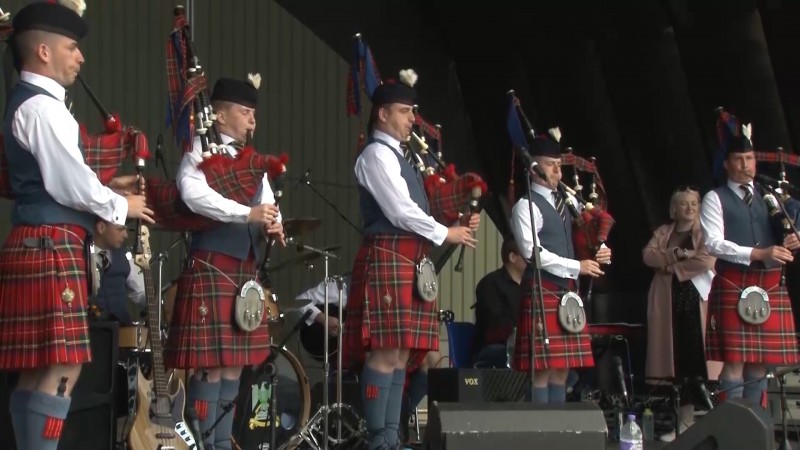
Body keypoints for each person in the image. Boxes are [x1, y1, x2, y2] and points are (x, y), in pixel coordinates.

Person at [0, 3, 153, 449]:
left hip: (40, 240)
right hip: (50, 244)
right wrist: (121, 204)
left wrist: (105, 182)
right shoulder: (43, 109)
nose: (80, 57)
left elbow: (60, 176)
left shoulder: (33, 104)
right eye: (72, 48)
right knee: (63, 365)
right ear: (44, 52)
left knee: (37, 369)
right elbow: (68, 182)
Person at [342, 68, 479, 450]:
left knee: (402, 355)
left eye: (411, 112)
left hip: (410, 261)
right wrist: (444, 233)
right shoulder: (375, 155)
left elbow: (423, 206)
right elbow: (400, 211)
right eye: (404, 111)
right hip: (388, 255)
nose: (410, 120)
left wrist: (457, 217)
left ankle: (390, 435)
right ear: (382, 114)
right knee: (385, 353)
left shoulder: (406, 160)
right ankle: (377, 440)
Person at [163, 75, 284, 450]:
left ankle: (220, 445)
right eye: (245, 112)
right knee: (209, 365)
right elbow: (193, 194)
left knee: (233, 366)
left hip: (244, 272)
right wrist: (246, 213)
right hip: (212, 267)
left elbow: (265, 206)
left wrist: (274, 223)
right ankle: (202, 444)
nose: (252, 121)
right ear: (219, 114)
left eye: (254, 114)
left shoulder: (252, 162)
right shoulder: (199, 147)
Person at [700, 118, 800, 408]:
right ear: (726, 164)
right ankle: (732, 430)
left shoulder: (771, 196)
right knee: (733, 364)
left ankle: (755, 429)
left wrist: (793, 240)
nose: (746, 165)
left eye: (750, 159)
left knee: (759, 366)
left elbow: (787, 232)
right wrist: (760, 254)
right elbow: (713, 244)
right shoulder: (714, 198)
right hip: (734, 283)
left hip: (769, 286)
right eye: (739, 159)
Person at [509, 132, 610, 404]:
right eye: (550, 164)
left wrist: (600, 250)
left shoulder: (570, 203)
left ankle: (559, 433)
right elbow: (532, 253)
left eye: (559, 164)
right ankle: (541, 432)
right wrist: (576, 266)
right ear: (534, 168)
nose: (557, 170)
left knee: (562, 370)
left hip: (567, 294)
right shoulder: (526, 205)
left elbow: (586, 238)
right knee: (541, 371)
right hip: (543, 290)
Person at [642, 187, 716, 441]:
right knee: (677, 362)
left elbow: (706, 261)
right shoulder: (664, 232)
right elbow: (648, 255)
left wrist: (673, 268)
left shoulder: (706, 232)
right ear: (674, 208)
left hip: (696, 302)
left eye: (694, 203)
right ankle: (683, 422)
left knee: (698, 359)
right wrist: (677, 254)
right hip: (669, 303)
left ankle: (710, 419)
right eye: (684, 204)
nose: (690, 208)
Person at [472, 237, 525, 368]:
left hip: (523, 345)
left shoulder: (530, 285)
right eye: (527, 255)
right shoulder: (490, 283)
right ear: (513, 257)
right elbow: (495, 326)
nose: (532, 260)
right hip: (494, 347)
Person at [88, 219, 146, 325]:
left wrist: (156, 302)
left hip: (122, 331)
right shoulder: (82, 253)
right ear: (101, 227)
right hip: (89, 329)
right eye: (120, 229)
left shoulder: (126, 256)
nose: (126, 235)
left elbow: (141, 292)